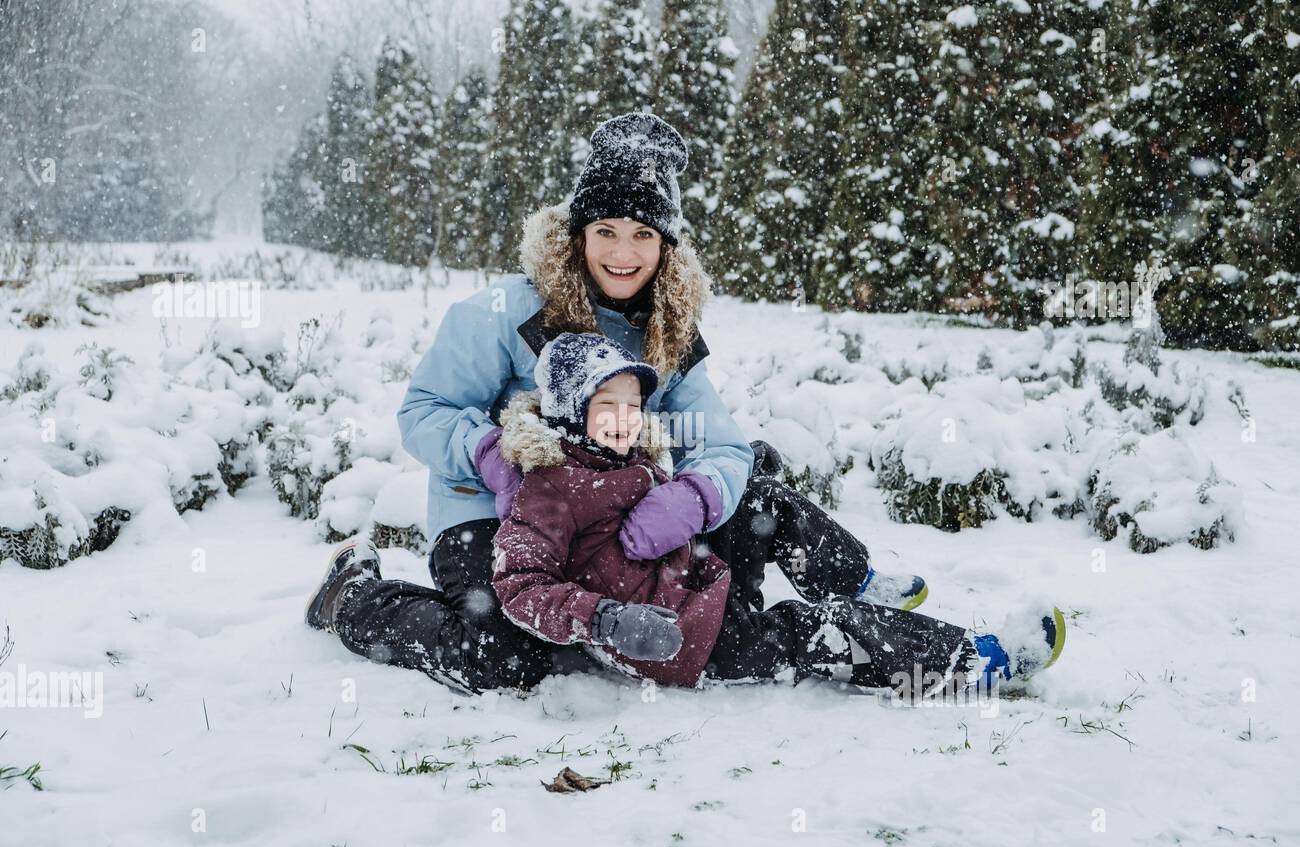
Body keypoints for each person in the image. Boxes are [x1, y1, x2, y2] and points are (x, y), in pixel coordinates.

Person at [303, 113, 943, 694]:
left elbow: (715, 441)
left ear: (666, 245)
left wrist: (692, 497)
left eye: (642, 234)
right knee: (499, 657)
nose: (621, 253)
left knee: (750, 493)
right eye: (604, 230)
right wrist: (489, 453)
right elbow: (423, 411)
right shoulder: (506, 312)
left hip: (612, 521)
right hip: (491, 517)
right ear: (577, 234)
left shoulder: (667, 330)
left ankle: (855, 593)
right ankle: (354, 594)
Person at [487, 331, 1067, 693]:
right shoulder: (550, 490)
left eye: (634, 404)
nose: (626, 416)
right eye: (607, 405)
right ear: (569, 413)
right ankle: (978, 663)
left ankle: (860, 581)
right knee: (819, 630)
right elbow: (519, 586)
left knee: (758, 497)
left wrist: (732, 478)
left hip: (693, 580)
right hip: (679, 637)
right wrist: (607, 619)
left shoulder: (622, 454)